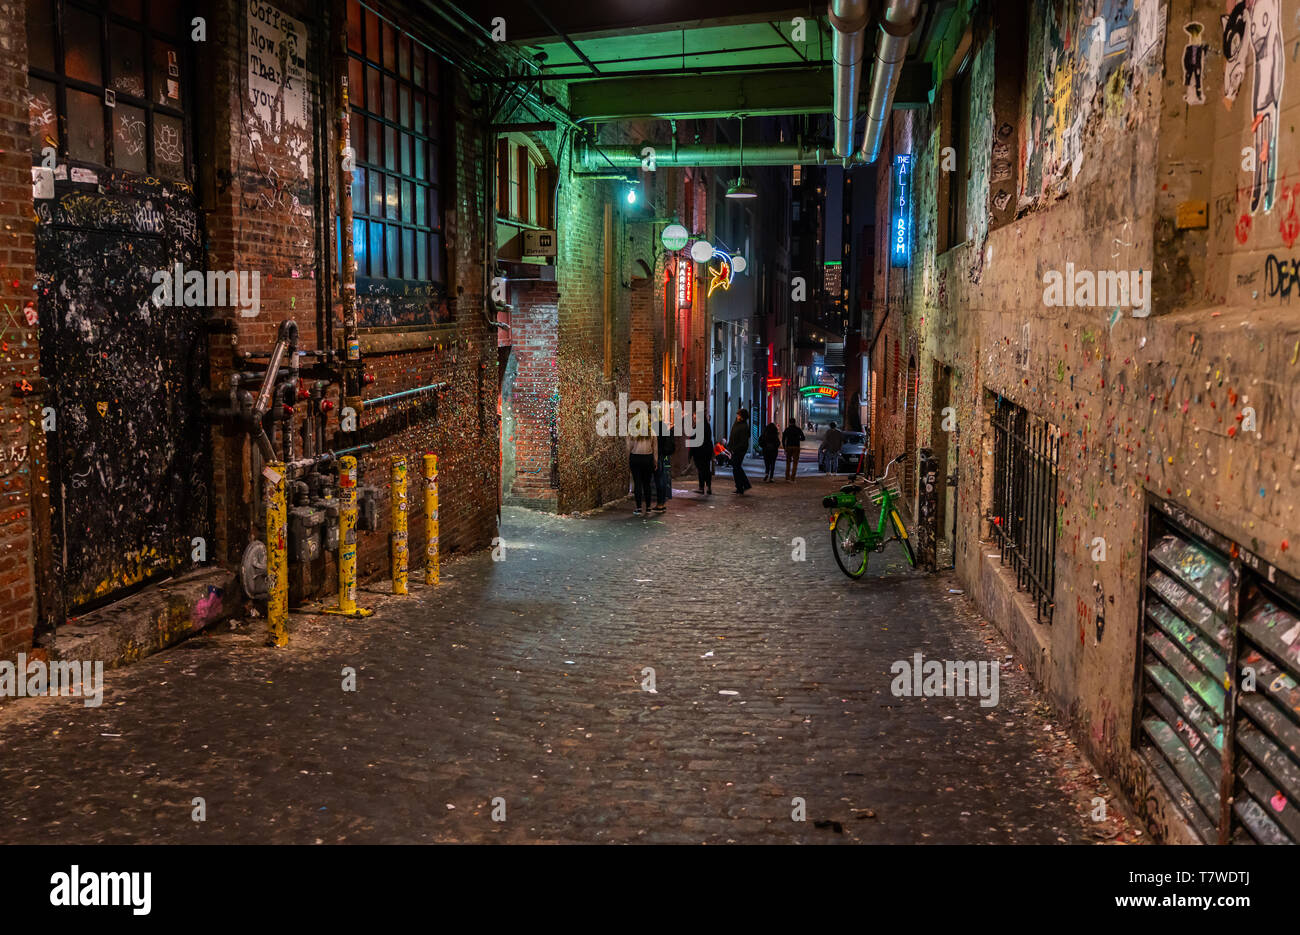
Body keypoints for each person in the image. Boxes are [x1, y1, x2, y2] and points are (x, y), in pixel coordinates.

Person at [626, 411, 657, 516]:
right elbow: (655, 448)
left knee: (637, 483)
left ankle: (638, 508)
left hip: (635, 458)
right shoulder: (652, 432)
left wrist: (628, 460)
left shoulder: (632, 432)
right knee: (647, 484)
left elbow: (628, 448)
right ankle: (648, 508)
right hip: (648, 459)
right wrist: (655, 461)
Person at [727, 410, 752, 495]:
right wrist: (729, 447)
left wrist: (735, 449)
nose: (737, 416)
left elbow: (743, 441)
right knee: (736, 468)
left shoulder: (744, 426)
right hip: (734, 449)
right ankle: (741, 486)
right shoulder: (736, 424)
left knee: (736, 467)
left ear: (742, 417)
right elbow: (732, 436)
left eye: (738, 415)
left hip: (739, 450)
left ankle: (743, 485)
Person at [654, 417, 676, 512]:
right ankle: (662, 503)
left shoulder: (657, 436)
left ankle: (660, 504)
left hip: (658, 458)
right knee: (662, 480)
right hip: (663, 457)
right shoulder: (666, 434)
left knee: (659, 481)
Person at [690, 414, 714, 495]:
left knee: (701, 470)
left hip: (699, 452)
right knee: (706, 469)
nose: (694, 419)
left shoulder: (697, 427)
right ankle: (708, 487)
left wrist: (691, 453)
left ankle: (701, 487)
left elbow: (693, 440)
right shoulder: (707, 426)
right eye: (693, 418)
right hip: (707, 451)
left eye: (695, 418)